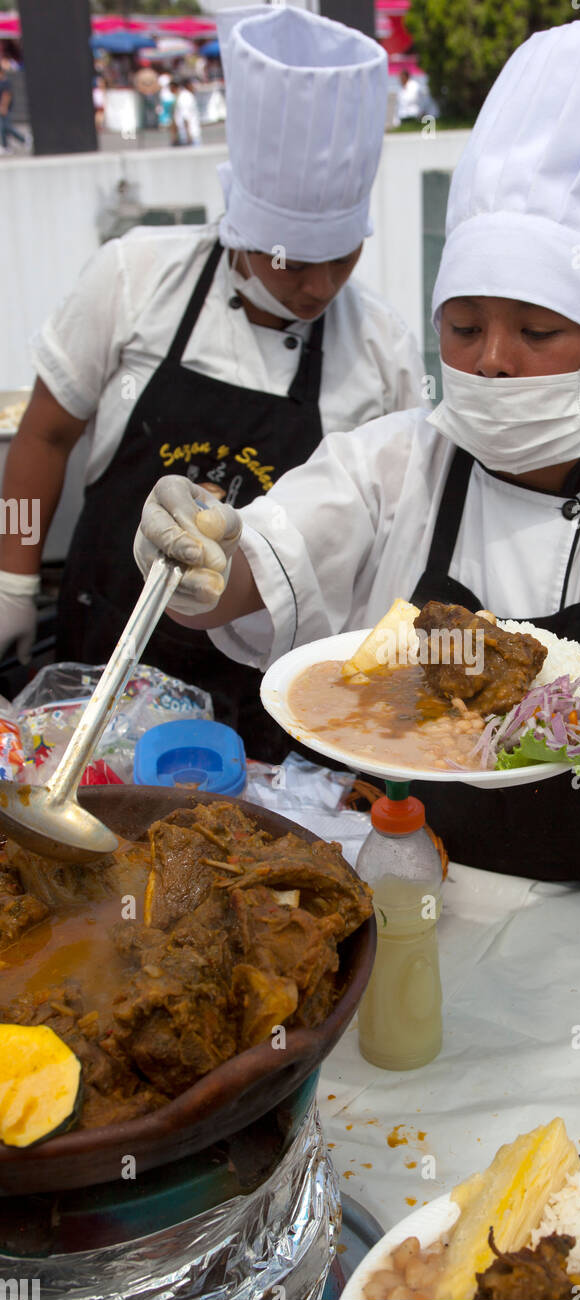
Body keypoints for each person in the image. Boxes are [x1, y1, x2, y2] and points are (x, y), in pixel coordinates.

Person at [135, 15, 580, 895]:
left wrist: (564, 713)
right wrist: (202, 560)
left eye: (536, 330)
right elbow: (259, 570)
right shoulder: (395, 463)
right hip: (413, 887)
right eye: (463, 327)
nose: (492, 358)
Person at [0, 6, 424, 759]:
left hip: (264, 707)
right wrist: (12, 574)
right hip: (102, 668)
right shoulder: (134, 278)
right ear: (247, 222)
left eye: (343, 255)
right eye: (293, 259)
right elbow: (46, 433)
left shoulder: (381, 348)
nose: (319, 286)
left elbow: (388, 540)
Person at [0, 57, 27, 153]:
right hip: (2, 108)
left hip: (4, 108)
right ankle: (6, 145)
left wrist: (3, 107)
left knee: (5, 126)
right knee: (3, 127)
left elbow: (6, 95)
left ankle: (23, 140)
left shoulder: (5, 82)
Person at [170, 78, 201, 147]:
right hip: (189, 136)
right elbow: (184, 118)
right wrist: (188, 136)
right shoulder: (185, 97)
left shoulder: (185, 96)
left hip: (189, 135)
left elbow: (184, 118)